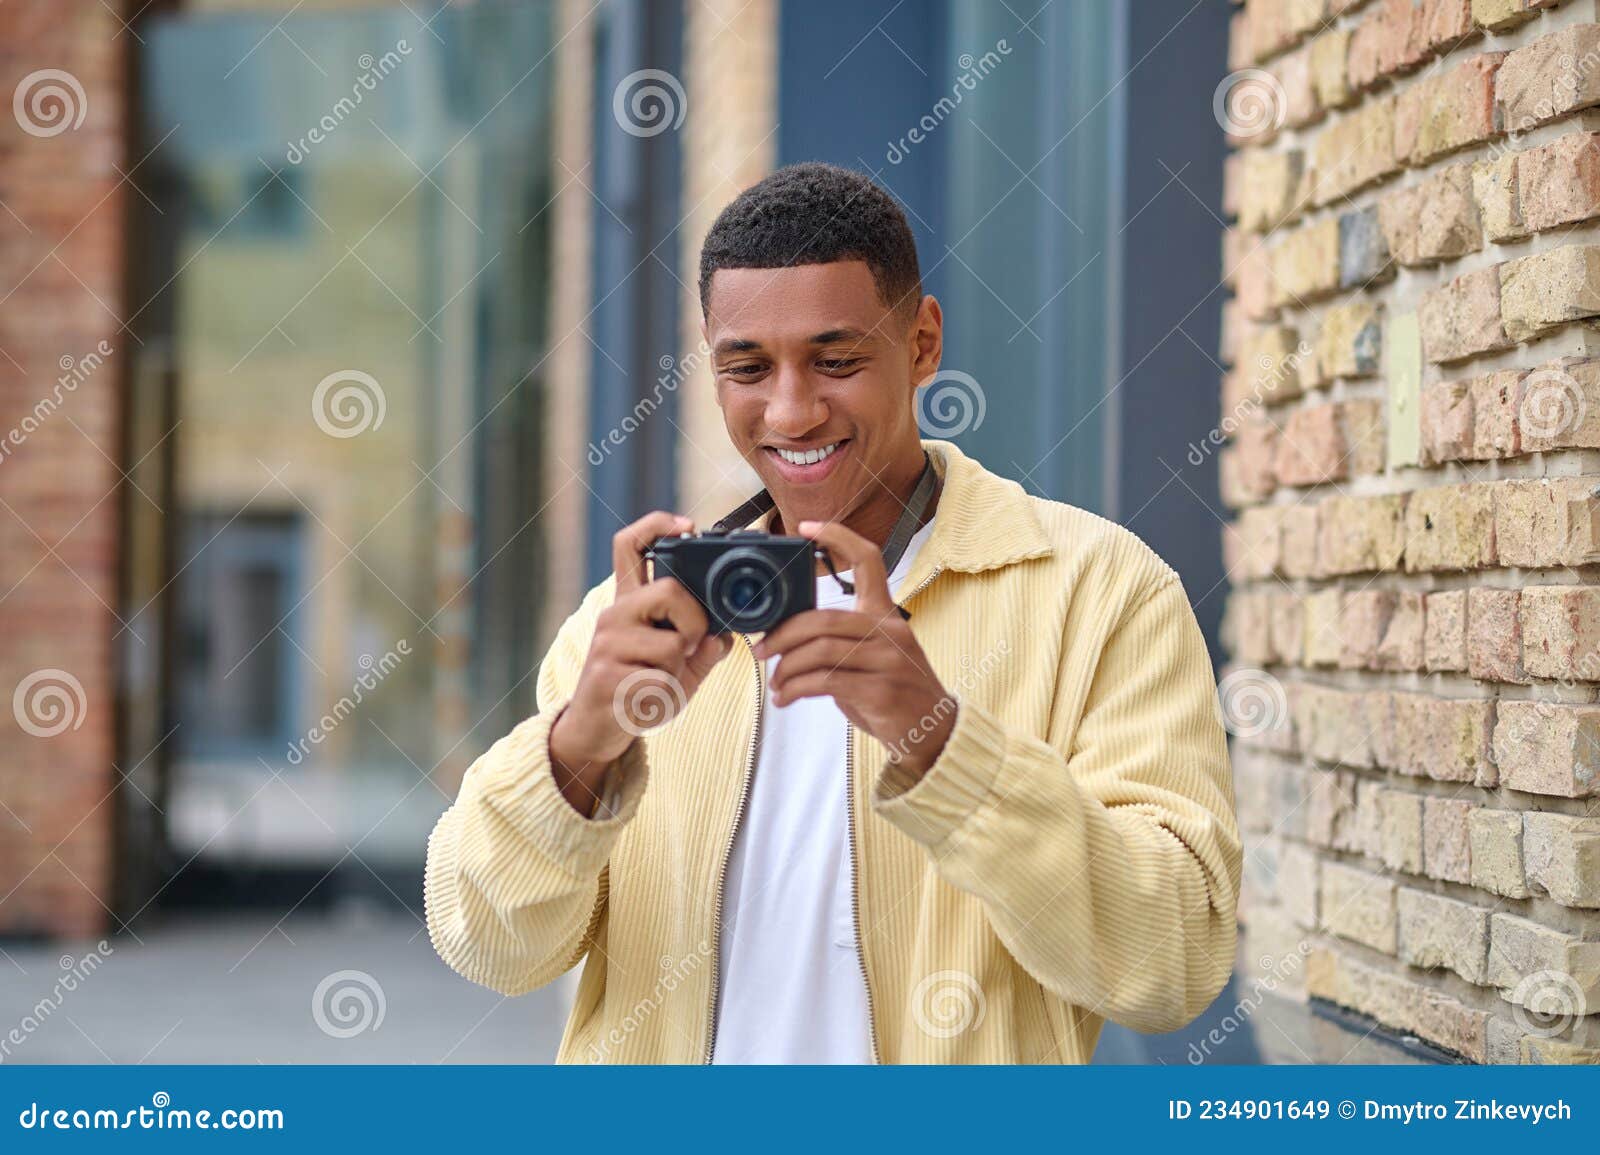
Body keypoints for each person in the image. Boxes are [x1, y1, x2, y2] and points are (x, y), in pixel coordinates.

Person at [424, 161, 1240, 1064]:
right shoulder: (627, 626)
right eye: (746, 366)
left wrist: (940, 741)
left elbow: (1173, 961)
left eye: (836, 360)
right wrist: (577, 748)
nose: (791, 410)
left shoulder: (1103, 592)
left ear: (923, 343)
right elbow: (491, 949)